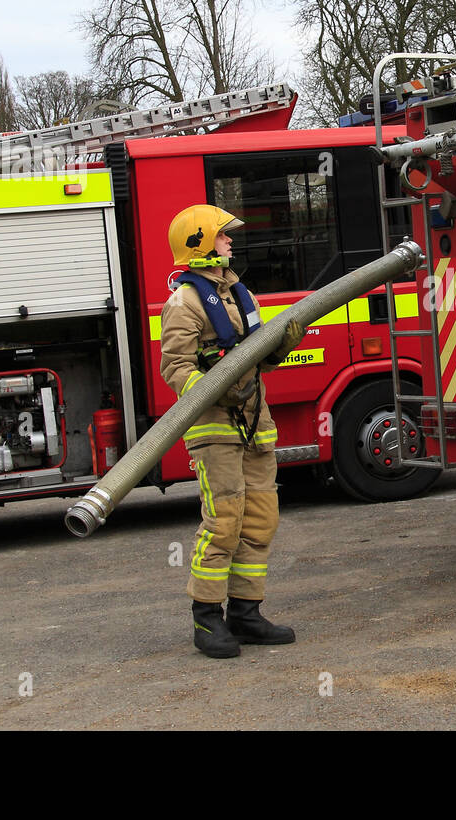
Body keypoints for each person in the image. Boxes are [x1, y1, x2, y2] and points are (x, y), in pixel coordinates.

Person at [159, 204, 305, 658]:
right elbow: (175, 367)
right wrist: (211, 389)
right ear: (200, 242)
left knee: (260, 519)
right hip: (213, 427)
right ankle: (207, 619)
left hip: (256, 424)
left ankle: (246, 614)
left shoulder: (240, 294)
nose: (230, 242)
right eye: (223, 236)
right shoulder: (183, 303)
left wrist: (282, 345)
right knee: (224, 521)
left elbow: (256, 357)